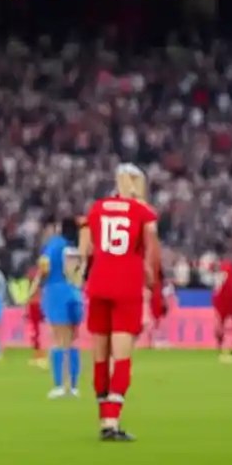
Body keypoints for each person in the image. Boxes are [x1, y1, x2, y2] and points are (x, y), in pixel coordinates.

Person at [80, 164, 159, 442]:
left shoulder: (97, 208)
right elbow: (152, 252)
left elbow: (85, 250)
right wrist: (152, 283)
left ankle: (103, 420)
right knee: (121, 358)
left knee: (100, 356)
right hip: (127, 286)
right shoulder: (143, 212)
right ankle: (112, 420)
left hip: (98, 284)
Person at [36, 218, 84, 398]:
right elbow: (78, 272)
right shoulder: (73, 247)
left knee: (58, 340)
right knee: (71, 340)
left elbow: (44, 267)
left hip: (56, 293)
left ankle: (59, 385)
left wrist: (37, 286)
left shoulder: (54, 245)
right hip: (74, 294)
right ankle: (73, 385)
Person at [212, 248, 232, 362]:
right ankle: (231, 346)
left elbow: (217, 287)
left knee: (224, 323)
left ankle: (223, 346)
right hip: (227, 300)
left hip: (222, 300)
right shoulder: (228, 269)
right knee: (231, 323)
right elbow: (230, 286)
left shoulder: (222, 270)